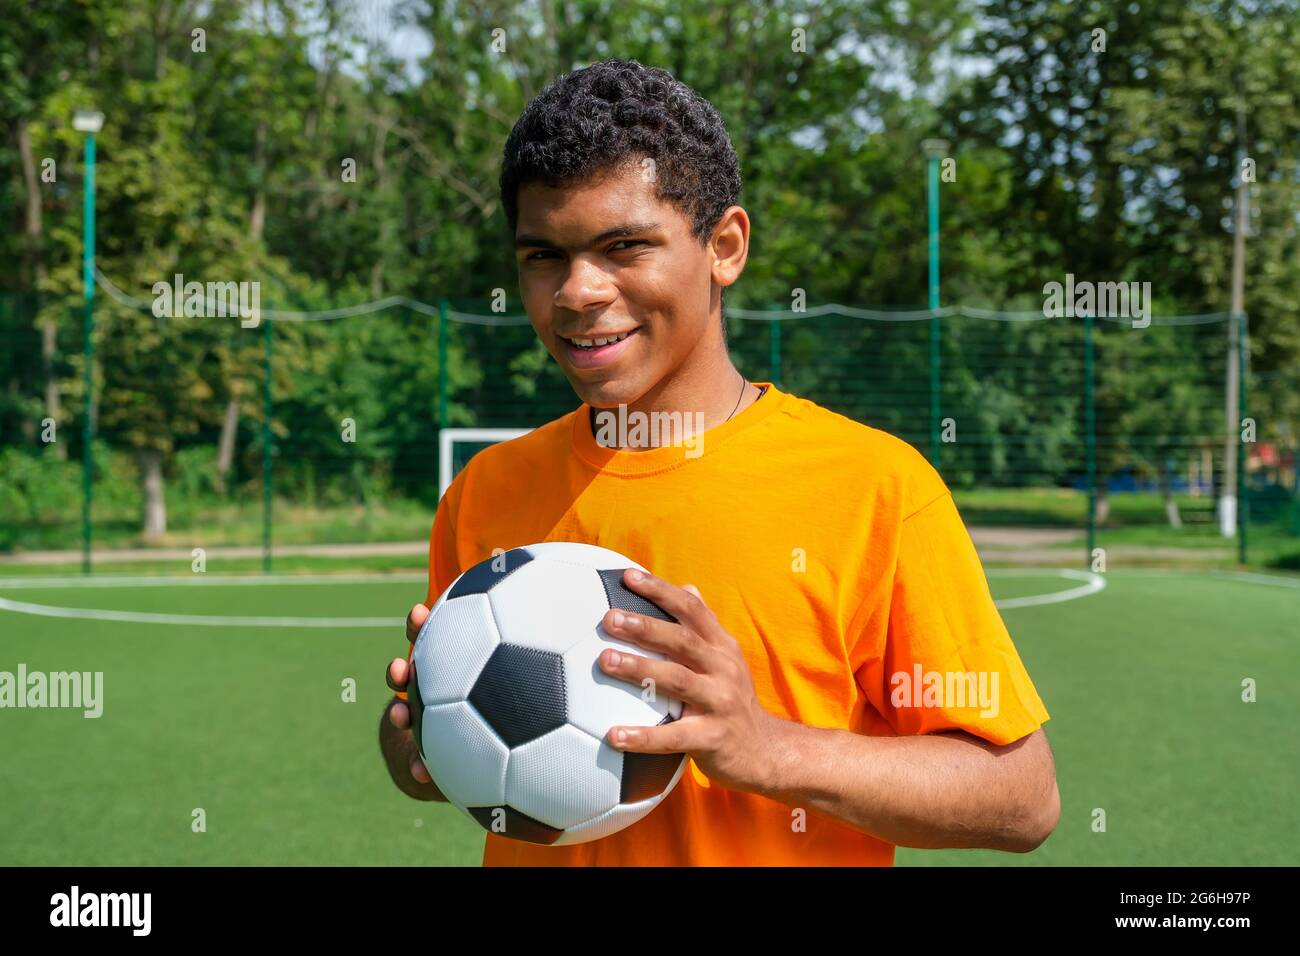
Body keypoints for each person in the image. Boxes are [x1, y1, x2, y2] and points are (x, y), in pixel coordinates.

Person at [380, 58, 1058, 866]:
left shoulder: (874, 488)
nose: (576, 291)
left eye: (624, 245)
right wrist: (427, 743)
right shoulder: (487, 491)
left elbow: (1021, 798)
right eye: (543, 257)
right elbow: (474, 759)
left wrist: (767, 748)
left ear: (725, 246)